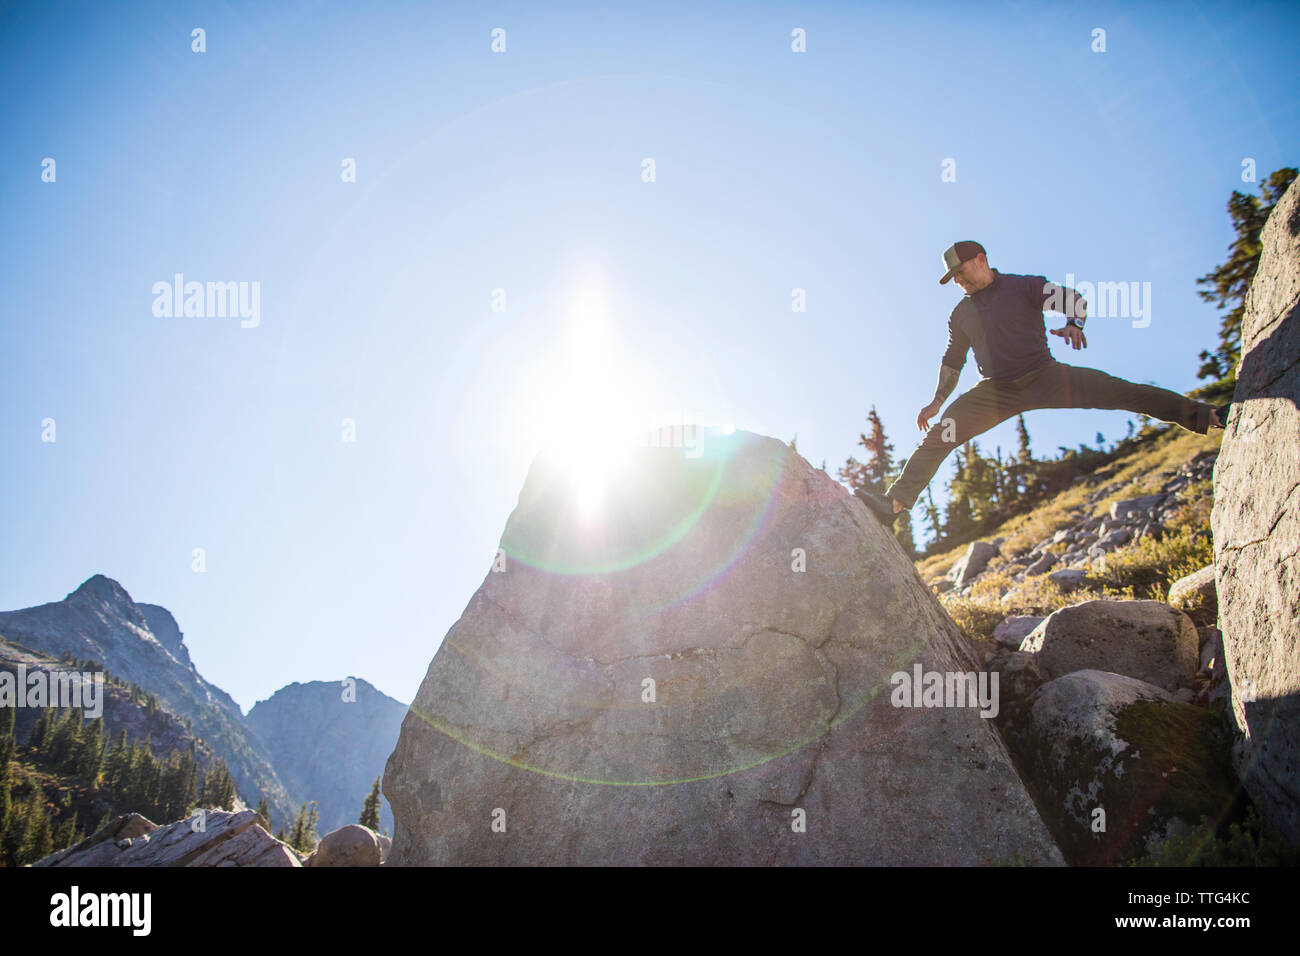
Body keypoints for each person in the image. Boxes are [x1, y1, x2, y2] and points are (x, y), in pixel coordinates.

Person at [855, 240, 1231, 525]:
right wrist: (938, 400)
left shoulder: (1025, 287)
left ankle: (1209, 415)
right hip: (996, 392)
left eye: (960, 272)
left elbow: (1074, 300)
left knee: (1124, 391)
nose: (957, 280)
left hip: (1046, 377)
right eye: (951, 277)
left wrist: (1074, 324)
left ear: (980, 260)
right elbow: (953, 360)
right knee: (941, 435)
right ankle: (893, 506)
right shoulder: (962, 313)